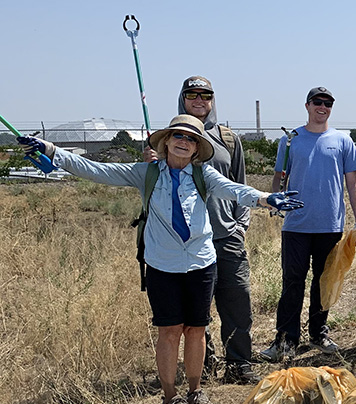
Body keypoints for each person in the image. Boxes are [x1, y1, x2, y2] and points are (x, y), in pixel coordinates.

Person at [18, 115, 302, 404]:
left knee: (196, 330)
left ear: (196, 149)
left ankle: (195, 391)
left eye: (191, 139)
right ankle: (170, 396)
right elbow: (97, 170)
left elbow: (236, 190)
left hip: (201, 264)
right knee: (169, 331)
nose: (184, 141)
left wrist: (267, 198)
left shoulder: (204, 175)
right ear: (166, 142)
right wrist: (52, 150)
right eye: (178, 135)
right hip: (162, 266)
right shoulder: (147, 173)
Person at [146, 76, 260, 384]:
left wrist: (241, 225)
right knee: (196, 313)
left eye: (206, 94)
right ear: (182, 99)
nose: (199, 99)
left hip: (226, 236)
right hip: (187, 246)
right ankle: (203, 367)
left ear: (213, 100)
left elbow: (240, 184)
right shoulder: (171, 139)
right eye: (192, 94)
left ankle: (239, 364)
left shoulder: (227, 139)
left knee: (237, 301)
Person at [261, 87, 356, 361]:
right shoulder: (290, 140)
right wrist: (273, 201)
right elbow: (279, 176)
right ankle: (285, 339)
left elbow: (353, 182)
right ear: (307, 106)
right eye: (317, 102)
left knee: (324, 281)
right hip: (295, 225)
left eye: (327, 103)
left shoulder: (343, 141)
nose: (322, 107)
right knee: (292, 282)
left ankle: (318, 332)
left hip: (330, 225)